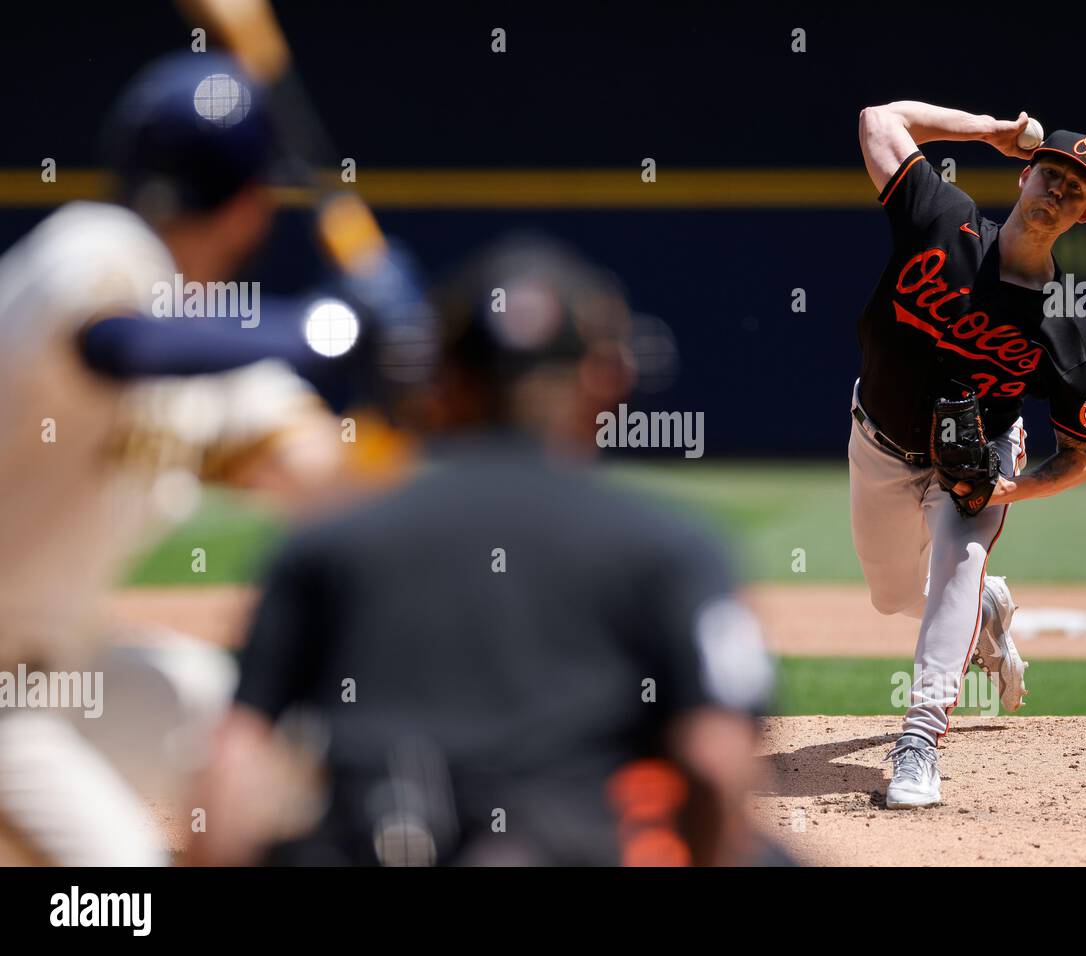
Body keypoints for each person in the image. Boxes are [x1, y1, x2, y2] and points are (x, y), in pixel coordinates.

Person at [190, 237, 778, 866]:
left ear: (438, 384)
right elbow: (715, 766)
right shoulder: (672, 545)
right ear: (608, 380)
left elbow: (233, 766)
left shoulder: (326, 541)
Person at [0, 51, 348, 865]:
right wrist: (330, 327)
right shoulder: (94, 251)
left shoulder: (202, 347)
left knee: (301, 753)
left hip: (61, 678)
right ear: (253, 208)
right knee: (125, 899)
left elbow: (321, 476)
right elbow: (123, 344)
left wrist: (414, 397)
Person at [851, 102, 1086, 808]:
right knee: (892, 595)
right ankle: (989, 608)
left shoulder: (1066, 332)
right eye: (1051, 173)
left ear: (1085, 214)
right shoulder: (945, 219)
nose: (1057, 191)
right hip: (877, 436)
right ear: (1025, 174)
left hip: (977, 458)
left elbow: (1078, 458)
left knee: (959, 556)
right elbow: (879, 119)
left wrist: (1001, 493)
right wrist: (988, 130)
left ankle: (920, 742)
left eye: (1075, 189)